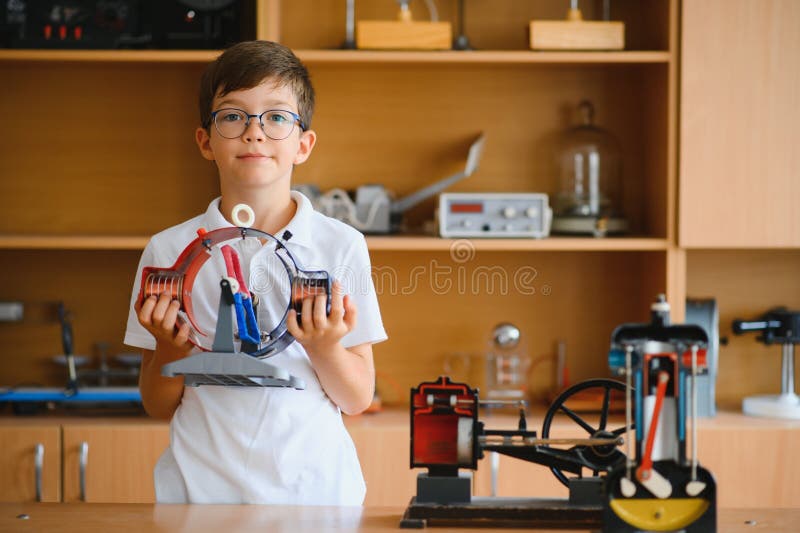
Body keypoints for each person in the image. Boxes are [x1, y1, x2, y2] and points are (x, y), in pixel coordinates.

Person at [123, 40, 387, 505]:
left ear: (303, 144)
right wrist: (169, 347)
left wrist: (324, 346)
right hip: (197, 498)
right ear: (206, 141)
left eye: (276, 117)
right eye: (232, 115)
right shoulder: (167, 250)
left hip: (316, 497)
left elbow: (357, 397)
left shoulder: (342, 245)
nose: (254, 133)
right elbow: (157, 405)